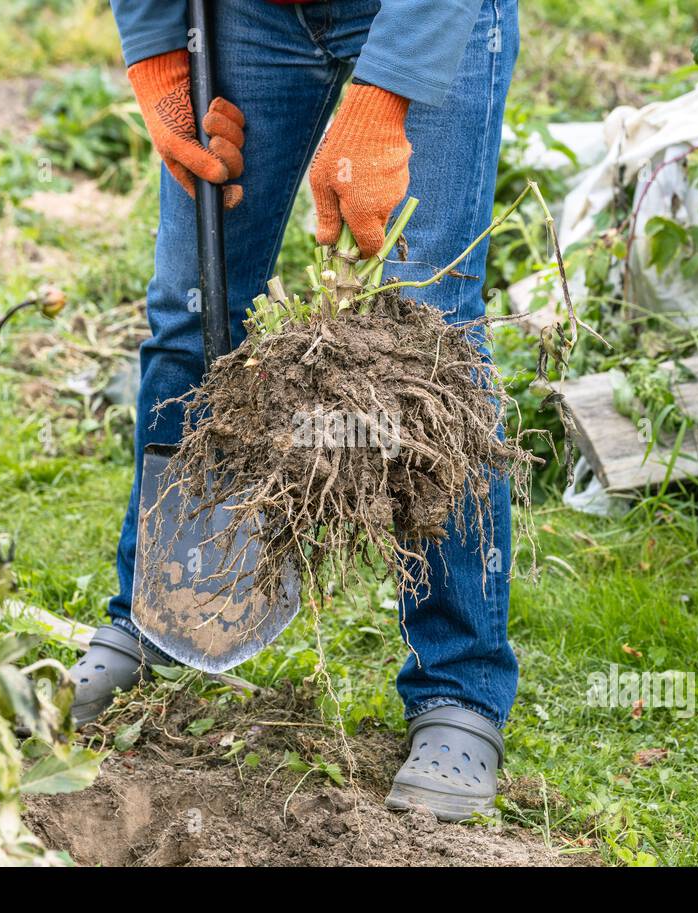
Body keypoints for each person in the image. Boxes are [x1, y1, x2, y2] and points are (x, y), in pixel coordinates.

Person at [69, 0, 519, 822]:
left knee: (434, 324)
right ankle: (154, 614)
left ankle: (460, 688)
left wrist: (386, 97)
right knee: (192, 302)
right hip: (249, 14)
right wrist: (159, 56)